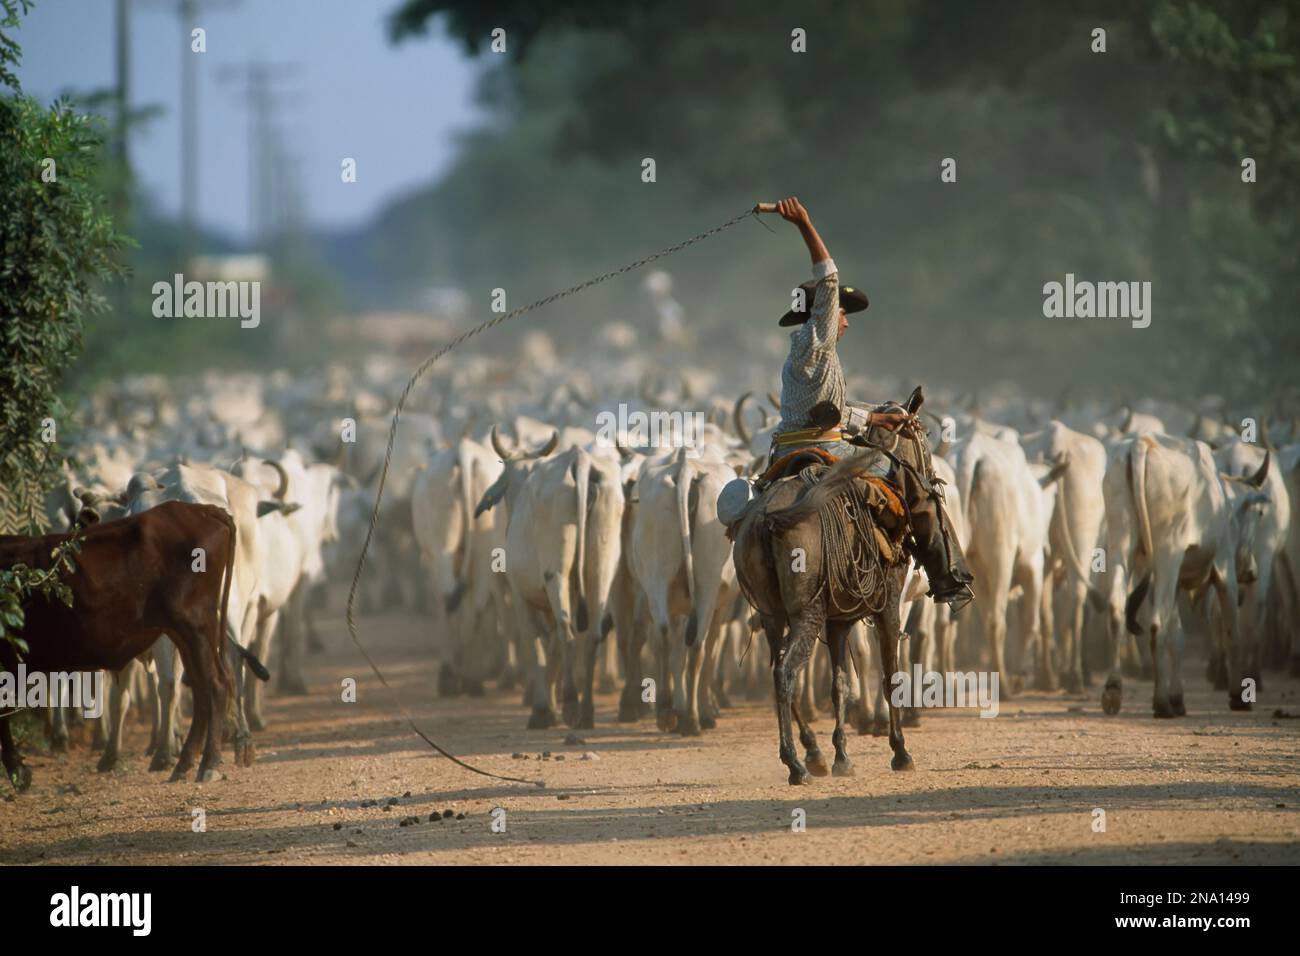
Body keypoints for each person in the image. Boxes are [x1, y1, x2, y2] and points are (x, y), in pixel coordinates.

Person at [766, 196, 973, 606]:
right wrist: (804, 222)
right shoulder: (819, 340)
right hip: (825, 447)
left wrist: (878, 414)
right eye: (841, 312)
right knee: (915, 486)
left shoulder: (801, 353)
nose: (845, 320)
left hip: (783, 449)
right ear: (823, 314)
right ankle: (946, 575)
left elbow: (830, 410)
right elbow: (828, 277)